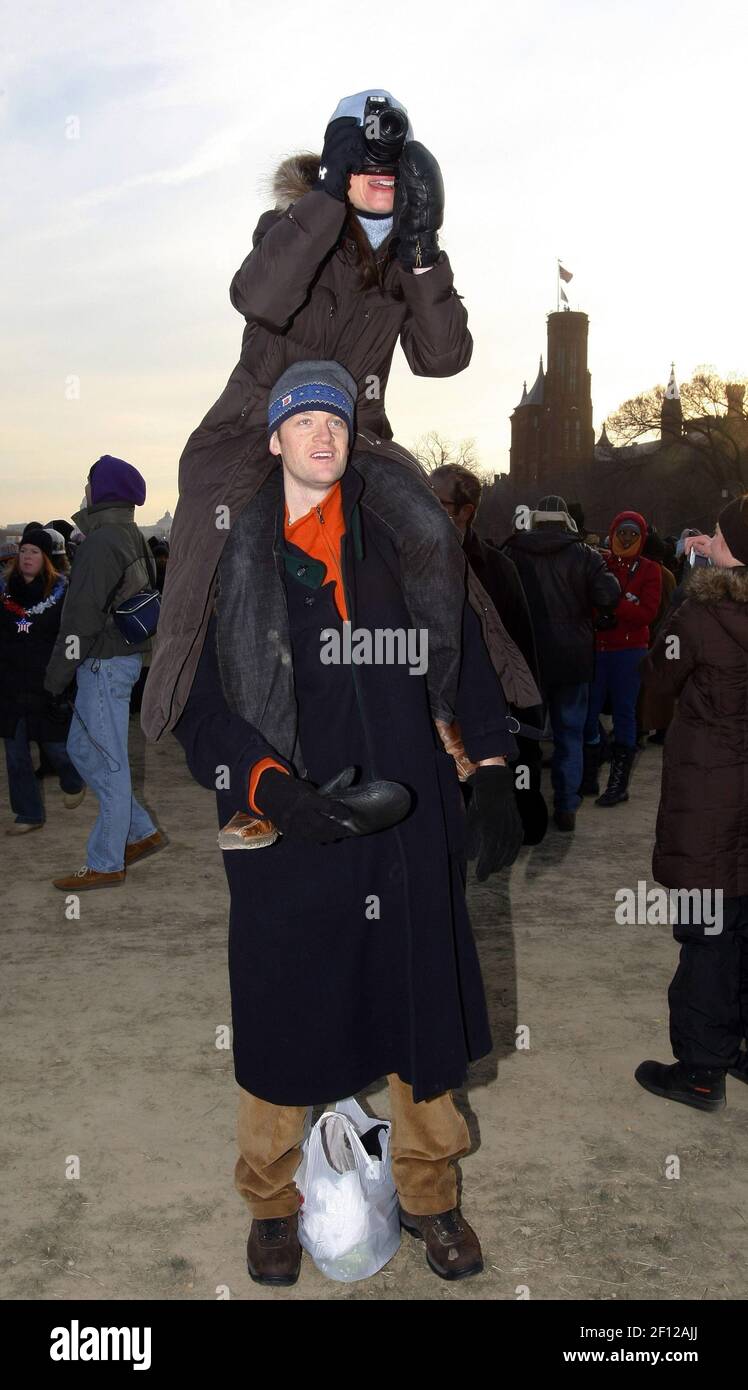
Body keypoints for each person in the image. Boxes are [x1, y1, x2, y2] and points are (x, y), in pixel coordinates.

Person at [173, 361, 524, 1287]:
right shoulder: (230, 556)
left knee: (420, 1018)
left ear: (351, 436)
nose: (321, 434)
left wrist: (490, 769)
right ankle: (270, 1202)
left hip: (408, 821)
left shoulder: (400, 540)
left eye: (335, 418)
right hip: (290, 826)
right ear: (276, 440)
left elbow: (465, 659)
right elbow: (198, 710)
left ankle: (430, 1195)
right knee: (286, 1022)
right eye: (302, 420)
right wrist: (271, 790)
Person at [142, 87, 474, 745]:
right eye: (365, 164)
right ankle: (269, 761)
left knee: (433, 535)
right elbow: (256, 297)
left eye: (392, 169)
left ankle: (442, 713)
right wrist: (325, 198)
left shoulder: (409, 261)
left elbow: (442, 358)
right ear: (338, 164)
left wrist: (424, 251)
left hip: (358, 439)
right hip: (255, 432)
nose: (382, 179)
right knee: (241, 552)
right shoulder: (291, 229)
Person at [635, 497, 748, 1111]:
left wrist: (656, 721)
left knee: (709, 930)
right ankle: (738, 1046)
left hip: (712, 793)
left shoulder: (701, 617)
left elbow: (658, 681)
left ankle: (704, 1068)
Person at [44, 456, 164, 889]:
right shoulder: (131, 534)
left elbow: (79, 620)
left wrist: (55, 678)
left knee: (109, 763)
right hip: (122, 658)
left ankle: (105, 862)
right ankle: (140, 831)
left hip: (101, 662)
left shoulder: (100, 542)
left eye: (89, 482)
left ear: (102, 490)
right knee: (84, 749)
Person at [431, 463, 547, 844]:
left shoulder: (499, 569)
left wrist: (523, 726)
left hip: (484, 715)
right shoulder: (414, 558)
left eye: (440, 503)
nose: (429, 509)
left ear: (467, 512)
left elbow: (522, 652)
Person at [503, 494, 620, 832]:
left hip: (528, 659)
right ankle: (566, 804)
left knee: (525, 737)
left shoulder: (514, 551)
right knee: (570, 735)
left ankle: (526, 802)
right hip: (573, 658)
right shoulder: (584, 555)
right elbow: (608, 596)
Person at [1, 526, 85, 834]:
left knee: (55, 747)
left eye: (34, 552)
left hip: (45, 683)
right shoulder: (4, 591)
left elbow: (69, 637)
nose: (27, 557)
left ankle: (73, 779)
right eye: (23, 551)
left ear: (46, 558)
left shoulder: (62, 592)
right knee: (15, 753)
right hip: (10, 684)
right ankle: (28, 814)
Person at [582, 510, 661, 808]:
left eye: (633, 534)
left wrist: (613, 603)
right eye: (622, 532)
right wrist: (624, 603)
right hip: (599, 650)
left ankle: (618, 784)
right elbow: (588, 604)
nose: (626, 538)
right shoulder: (600, 562)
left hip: (630, 653)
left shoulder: (650, 570)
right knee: (588, 714)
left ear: (642, 538)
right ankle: (589, 773)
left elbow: (647, 615)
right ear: (612, 534)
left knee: (624, 715)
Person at [638, 531, 677, 744]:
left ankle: (642, 728)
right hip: (664, 635)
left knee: (646, 688)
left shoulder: (650, 573)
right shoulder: (667, 574)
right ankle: (660, 728)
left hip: (653, 635)